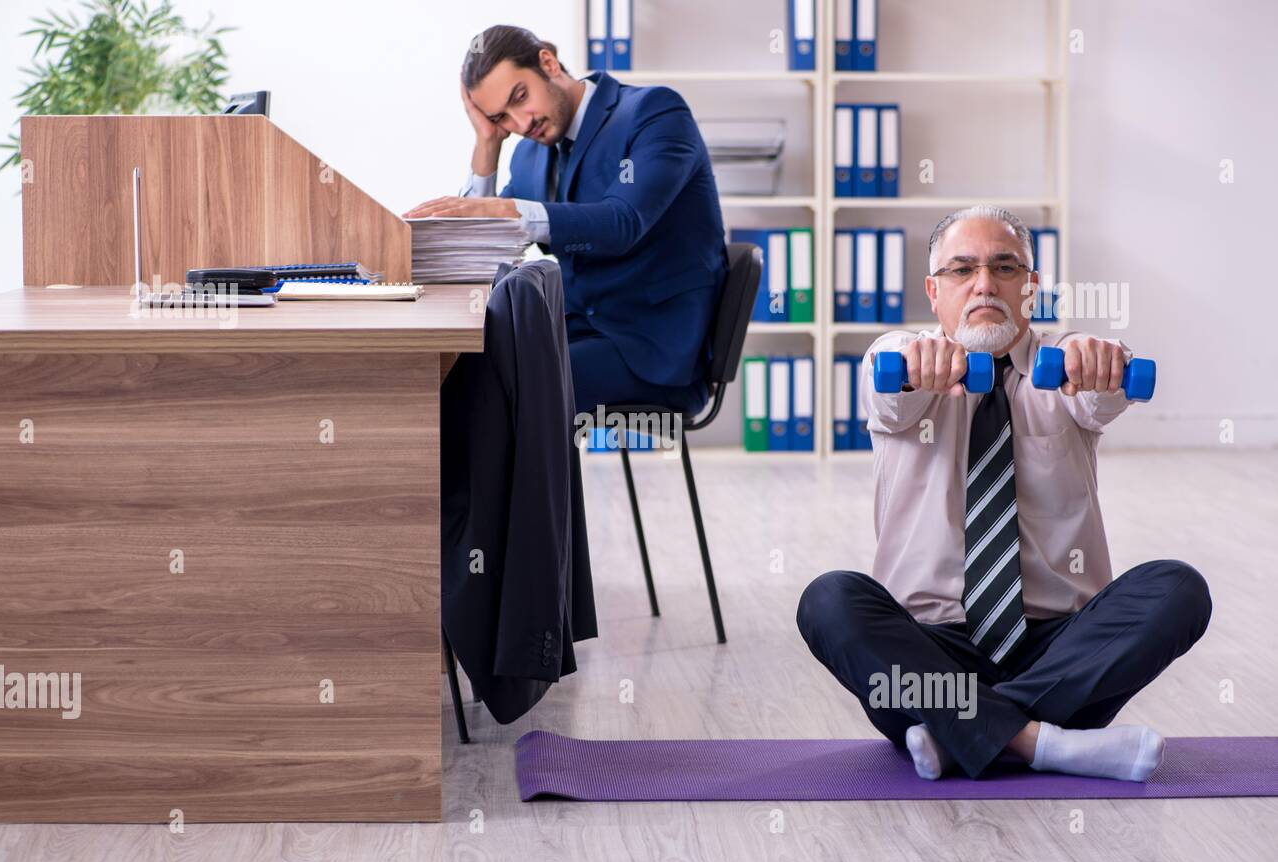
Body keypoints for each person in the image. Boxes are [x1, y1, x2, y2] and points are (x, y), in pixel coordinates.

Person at [796, 205, 1212, 782]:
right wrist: (914, 364)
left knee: (1179, 588)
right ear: (933, 291)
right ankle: (1046, 745)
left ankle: (960, 735)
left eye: (1005, 267)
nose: (985, 284)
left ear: (1032, 287)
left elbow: (1101, 393)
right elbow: (886, 385)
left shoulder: (1064, 366)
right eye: (962, 270)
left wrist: (1104, 361)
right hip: (928, 652)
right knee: (829, 599)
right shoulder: (902, 362)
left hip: (1061, 652)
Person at [406, 24, 727, 416]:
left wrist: (507, 211)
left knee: (504, 391)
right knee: (462, 369)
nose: (521, 124)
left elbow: (622, 223)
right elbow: (481, 252)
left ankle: (518, 480)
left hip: (655, 350)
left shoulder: (653, 112)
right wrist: (487, 144)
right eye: (502, 117)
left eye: (520, 97)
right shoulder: (529, 155)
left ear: (548, 61)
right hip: (581, 332)